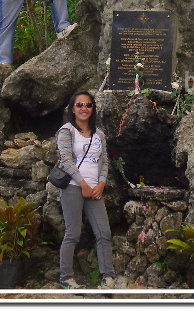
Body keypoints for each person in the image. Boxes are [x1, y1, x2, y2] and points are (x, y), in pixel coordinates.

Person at [55, 91, 118, 291]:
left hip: (95, 190)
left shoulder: (99, 134)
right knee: (73, 233)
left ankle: (108, 277)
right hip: (75, 187)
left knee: (104, 233)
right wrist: (83, 185)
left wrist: (101, 184)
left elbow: (105, 161)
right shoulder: (66, 131)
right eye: (80, 105)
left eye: (88, 105)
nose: (84, 108)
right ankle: (66, 278)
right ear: (72, 109)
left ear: (93, 108)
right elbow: (66, 160)